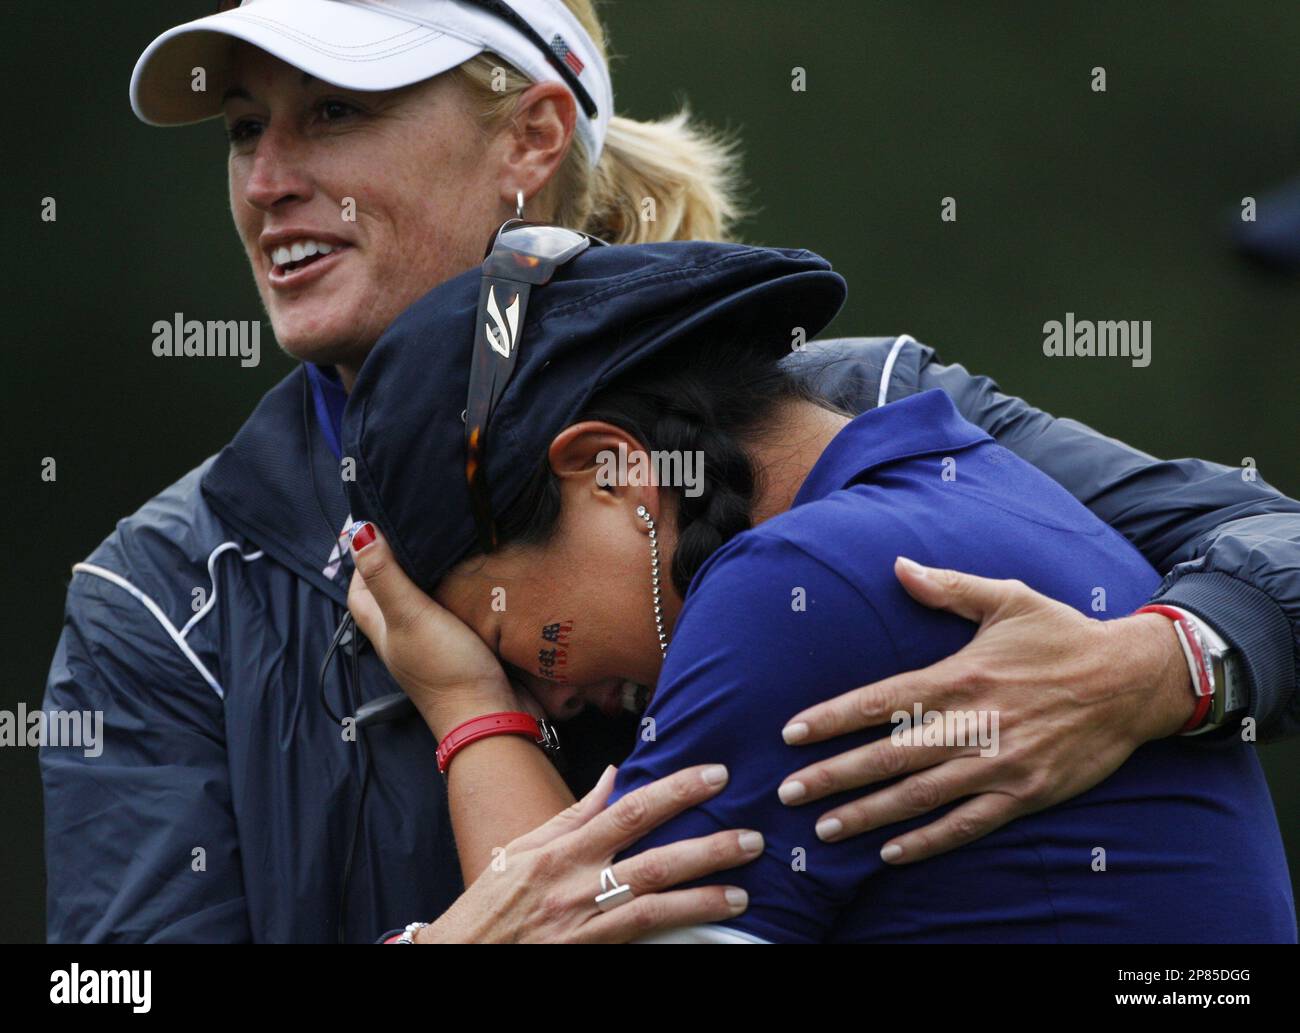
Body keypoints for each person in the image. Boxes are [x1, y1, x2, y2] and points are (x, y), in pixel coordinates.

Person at [40, 0, 1300, 943]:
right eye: (245, 128)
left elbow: (1266, 538)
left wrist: (1156, 666)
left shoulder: (853, 404)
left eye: (335, 113)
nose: (267, 181)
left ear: (531, 134)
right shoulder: (161, 591)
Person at [341, 236, 1295, 943]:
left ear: (613, 475)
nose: (547, 698)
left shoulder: (796, 585)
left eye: (516, 646)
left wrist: (467, 716)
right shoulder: (974, 486)